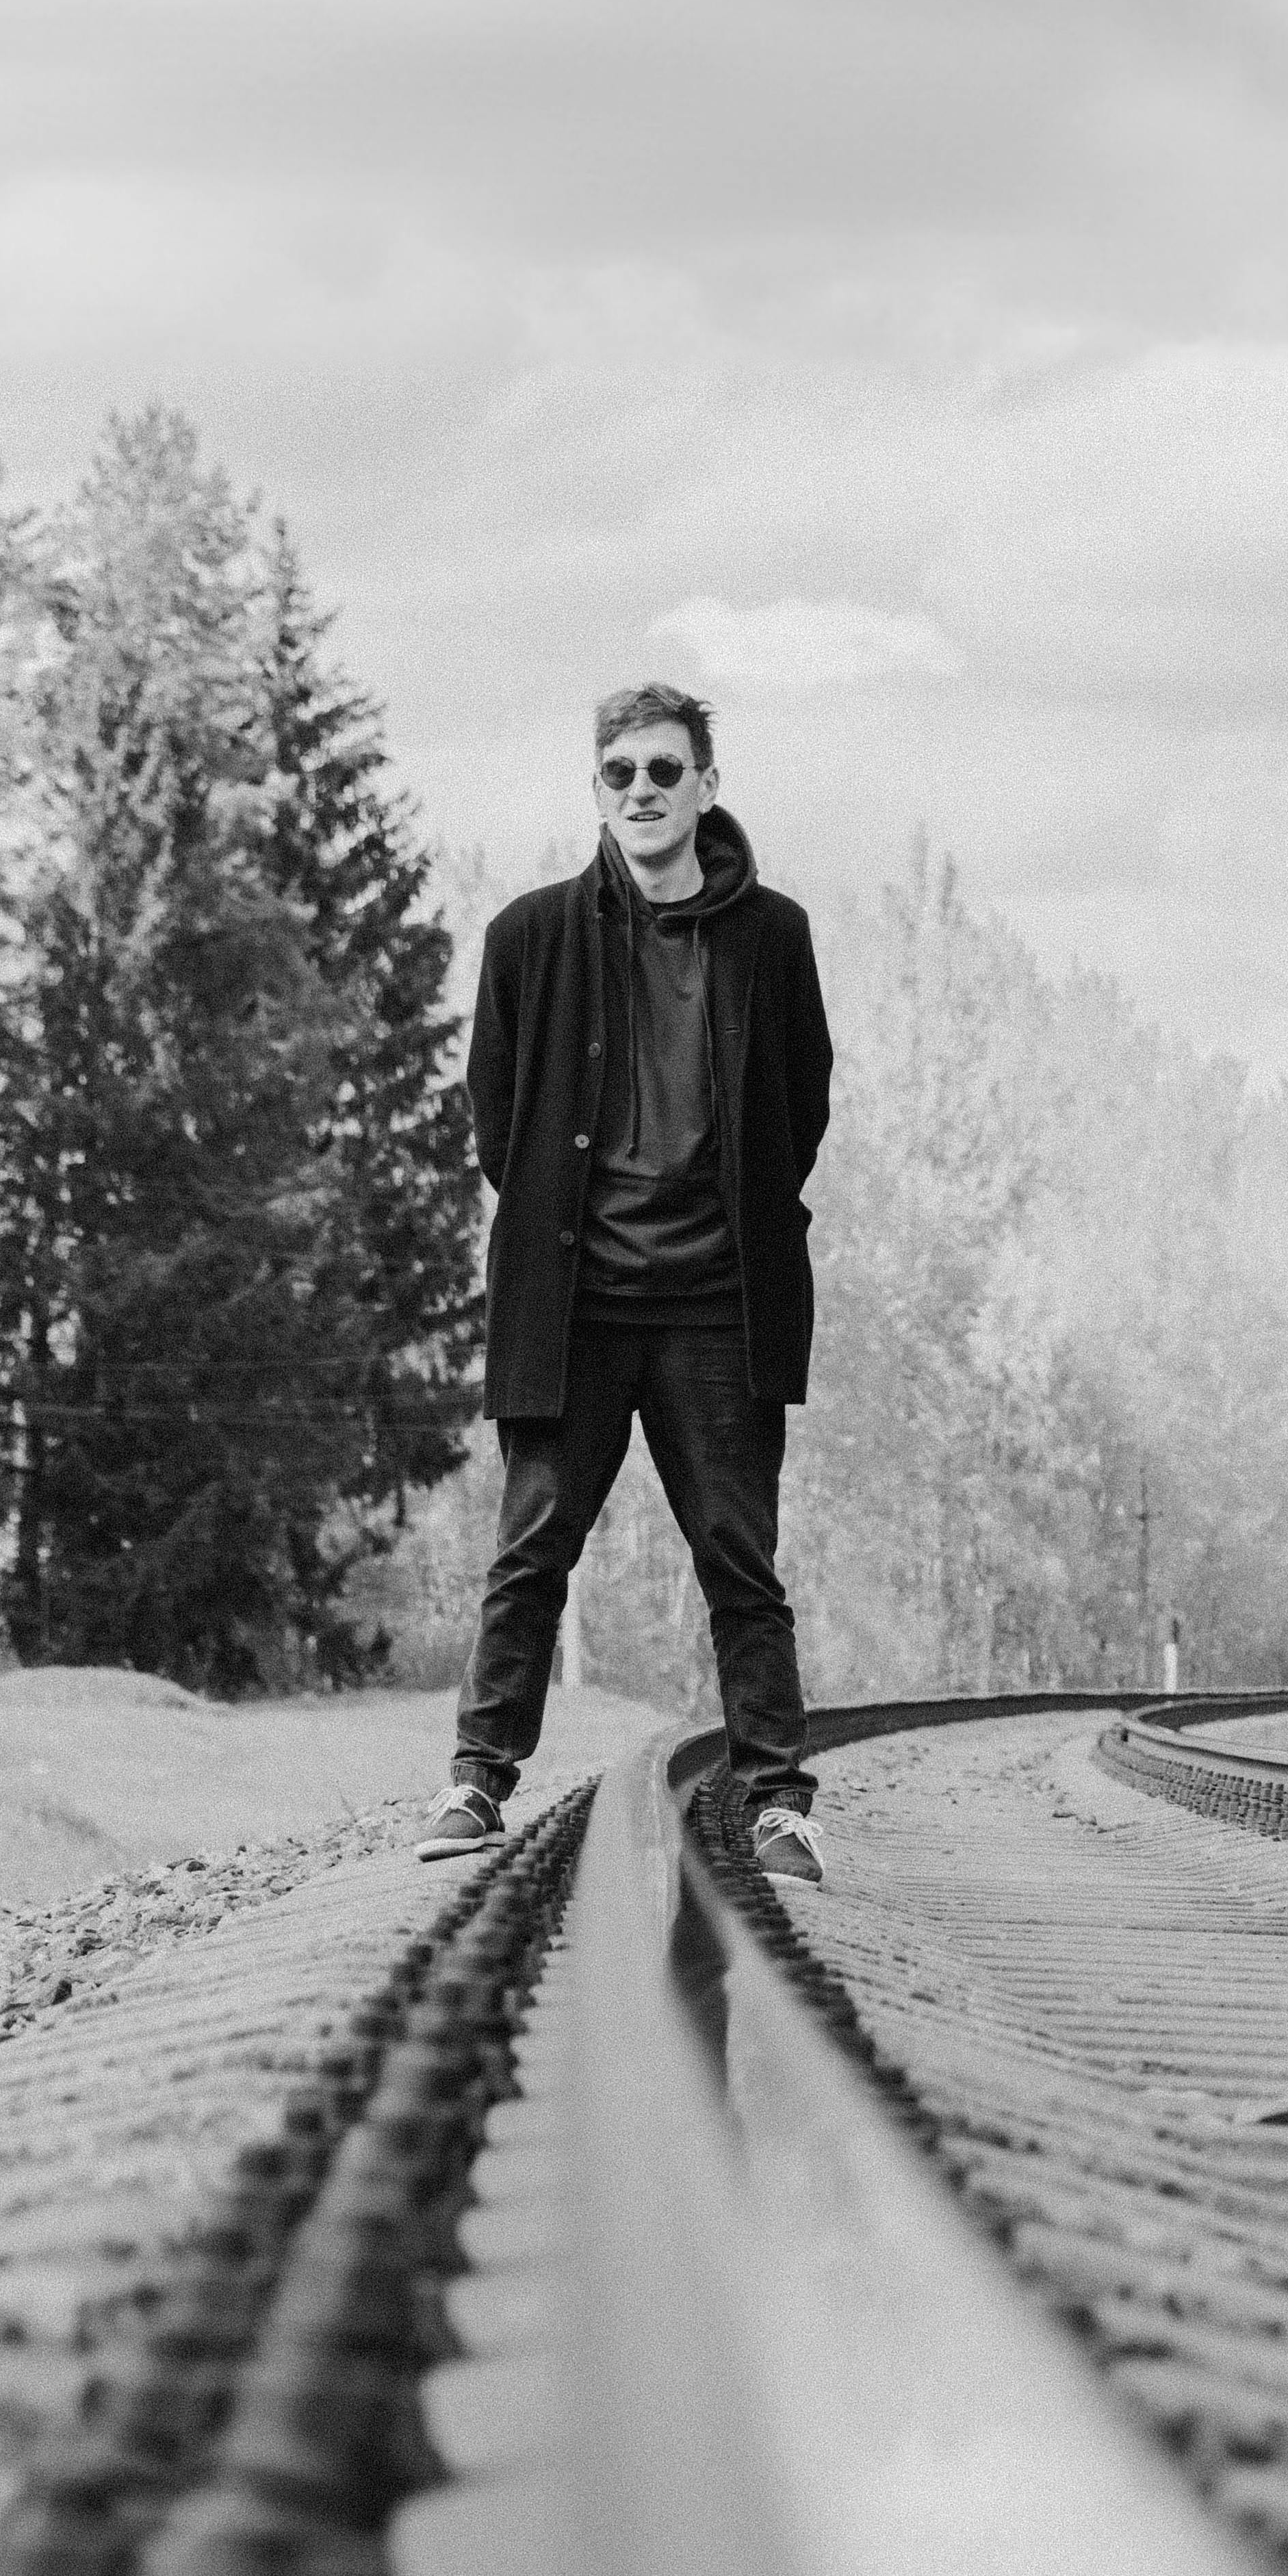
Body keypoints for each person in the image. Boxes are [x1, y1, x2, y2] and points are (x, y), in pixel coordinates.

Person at [417, 679, 833, 1881]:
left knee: (741, 1564)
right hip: (574, 1306)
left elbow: (800, 1107)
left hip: (717, 1302)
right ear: (596, 790)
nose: (642, 791)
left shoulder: (774, 936)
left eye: (665, 770)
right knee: (532, 1551)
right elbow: (500, 1123)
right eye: (620, 773)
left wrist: (723, 1215)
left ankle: (778, 1800)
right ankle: (476, 1781)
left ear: (707, 784)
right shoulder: (529, 937)